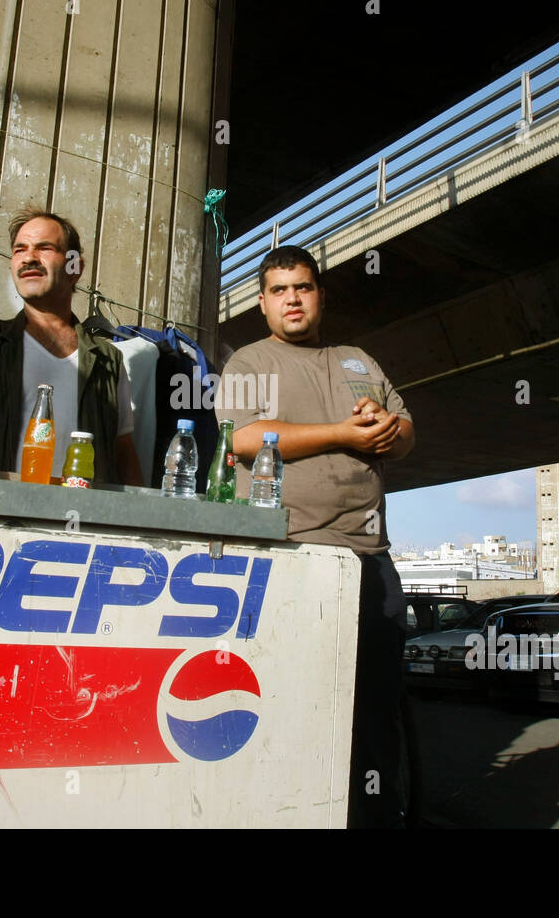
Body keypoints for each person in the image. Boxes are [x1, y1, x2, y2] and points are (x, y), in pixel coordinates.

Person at [215, 244, 415, 828]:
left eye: (302, 287)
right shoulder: (249, 362)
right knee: (293, 702)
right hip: (290, 554)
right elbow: (244, 439)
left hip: (369, 558)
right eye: (279, 291)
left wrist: (387, 432)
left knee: (376, 709)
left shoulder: (358, 359)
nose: (292, 299)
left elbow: (405, 431)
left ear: (319, 294)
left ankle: (377, 818)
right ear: (262, 303)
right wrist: (342, 433)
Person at [0, 208, 141, 485]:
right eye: (20, 249)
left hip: (79, 519)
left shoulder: (107, 360)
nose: (29, 258)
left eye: (44, 248)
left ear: (74, 268)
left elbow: (122, 453)